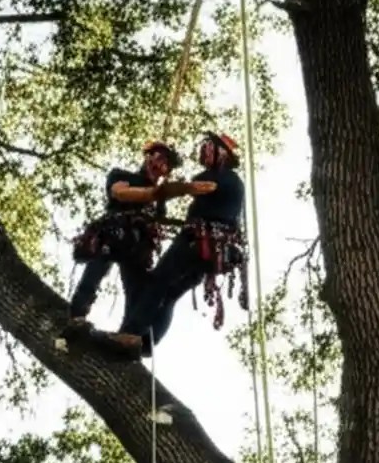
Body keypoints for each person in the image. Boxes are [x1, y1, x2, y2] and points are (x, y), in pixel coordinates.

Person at [99, 131, 249, 356]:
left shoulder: (221, 176)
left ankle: (130, 334)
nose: (204, 154)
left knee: (157, 281)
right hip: (213, 253)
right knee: (169, 294)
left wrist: (161, 191)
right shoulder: (232, 184)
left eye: (209, 148)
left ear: (223, 155)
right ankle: (148, 343)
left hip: (197, 242)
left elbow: (197, 186)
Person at [65, 141, 182, 338]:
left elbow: (159, 222)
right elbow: (119, 192)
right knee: (92, 276)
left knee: (137, 291)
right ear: (148, 157)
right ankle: (76, 317)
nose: (161, 166)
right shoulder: (122, 175)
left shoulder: (159, 199)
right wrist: (153, 193)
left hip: (137, 247)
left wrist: (164, 195)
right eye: (159, 158)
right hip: (111, 235)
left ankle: (129, 334)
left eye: (166, 166)